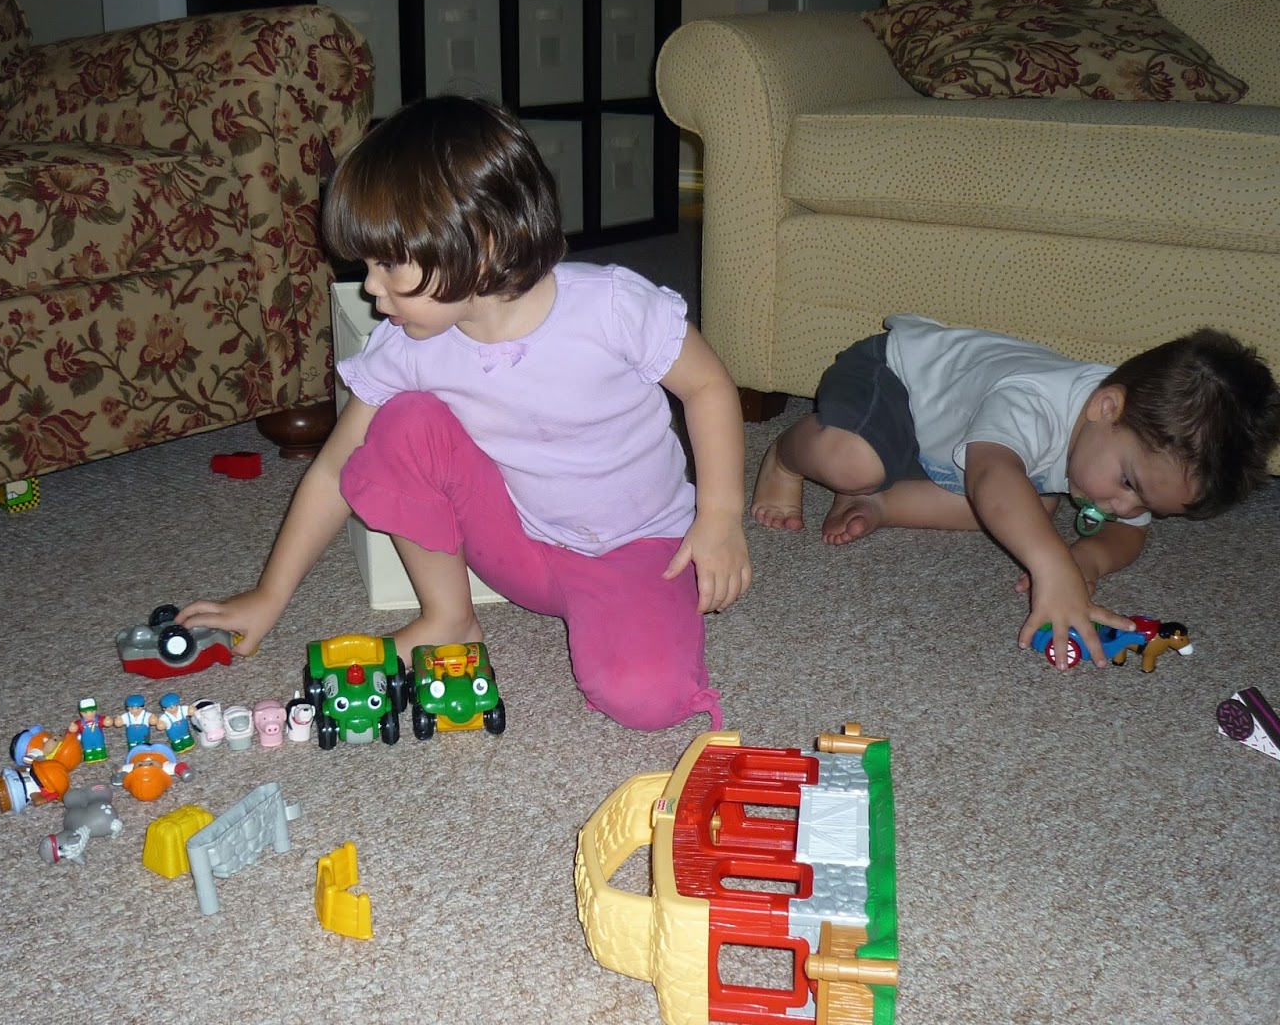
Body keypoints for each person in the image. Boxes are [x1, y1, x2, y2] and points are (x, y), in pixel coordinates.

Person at [177, 96, 752, 731]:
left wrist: (721, 517)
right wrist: (269, 595)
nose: (370, 288)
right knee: (402, 423)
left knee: (649, 701)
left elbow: (708, 387)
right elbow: (334, 466)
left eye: (388, 264)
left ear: (481, 243)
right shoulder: (409, 344)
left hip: (642, 549)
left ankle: (631, 620)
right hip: (520, 547)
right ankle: (449, 615)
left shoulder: (611, 306)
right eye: (367, 266)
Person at [750, 314, 1280, 667]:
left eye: (1149, 507)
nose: (1125, 506)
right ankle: (788, 455)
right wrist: (1051, 565)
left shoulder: (1128, 446)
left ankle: (882, 501)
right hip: (894, 380)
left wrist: (1084, 565)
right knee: (855, 463)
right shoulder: (1036, 403)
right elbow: (991, 477)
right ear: (1105, 408)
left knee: (1034, 507)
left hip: (945, 441)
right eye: (1128, 484)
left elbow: (1126, 534)